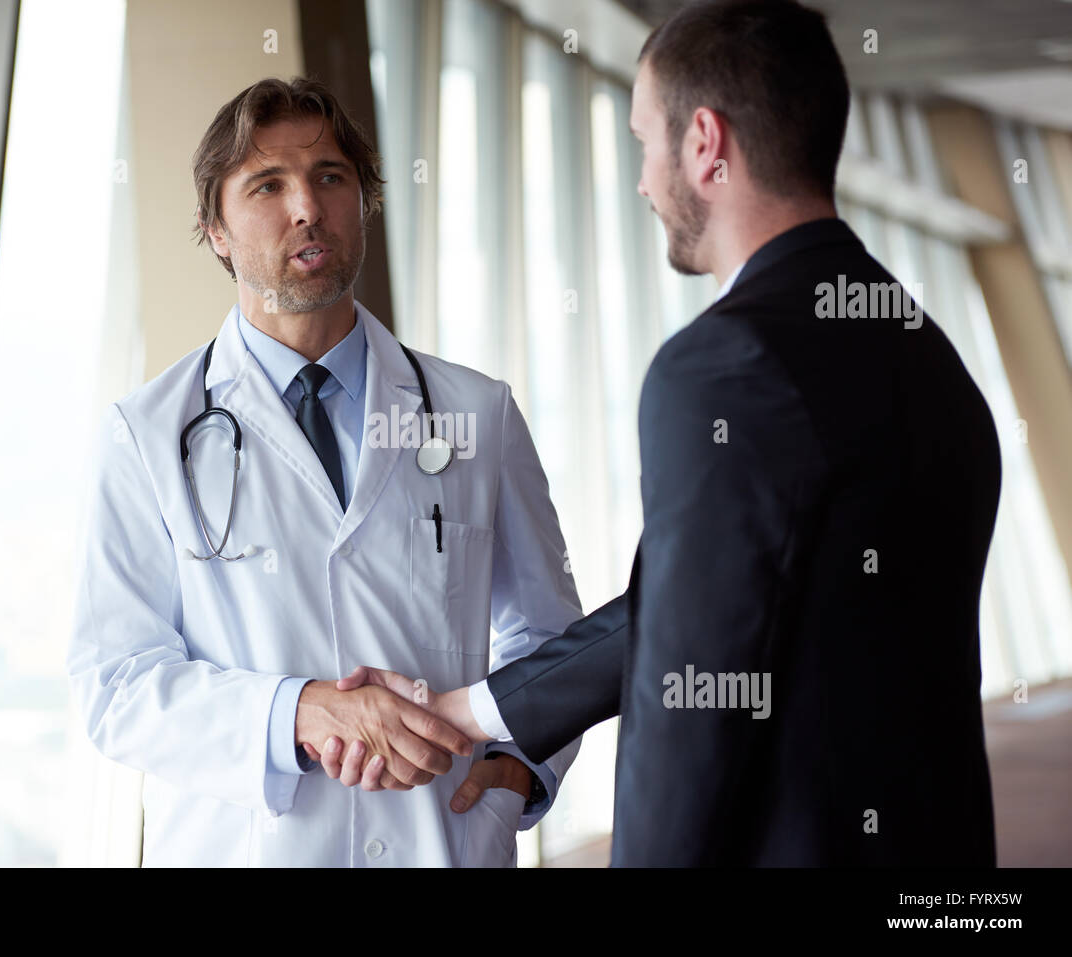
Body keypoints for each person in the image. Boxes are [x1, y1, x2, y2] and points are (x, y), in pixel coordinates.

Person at [330, 0, 1002, 866]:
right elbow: (698, 608)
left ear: (705, 143)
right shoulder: (925, 352)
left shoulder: (724, 365)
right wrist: (468, 711)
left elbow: (691, 707)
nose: (643, 181)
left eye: (647, 140)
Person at [65, 76, 583, 866]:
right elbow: (117, 682)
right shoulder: (146, 435)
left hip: (440, 838)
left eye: (330, 178)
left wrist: (523, 768)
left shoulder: (477, 413)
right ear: (215, 229)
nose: (307, 207)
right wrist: (298, 714)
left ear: (364, 200)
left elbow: (547, 635)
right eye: (267, 185)